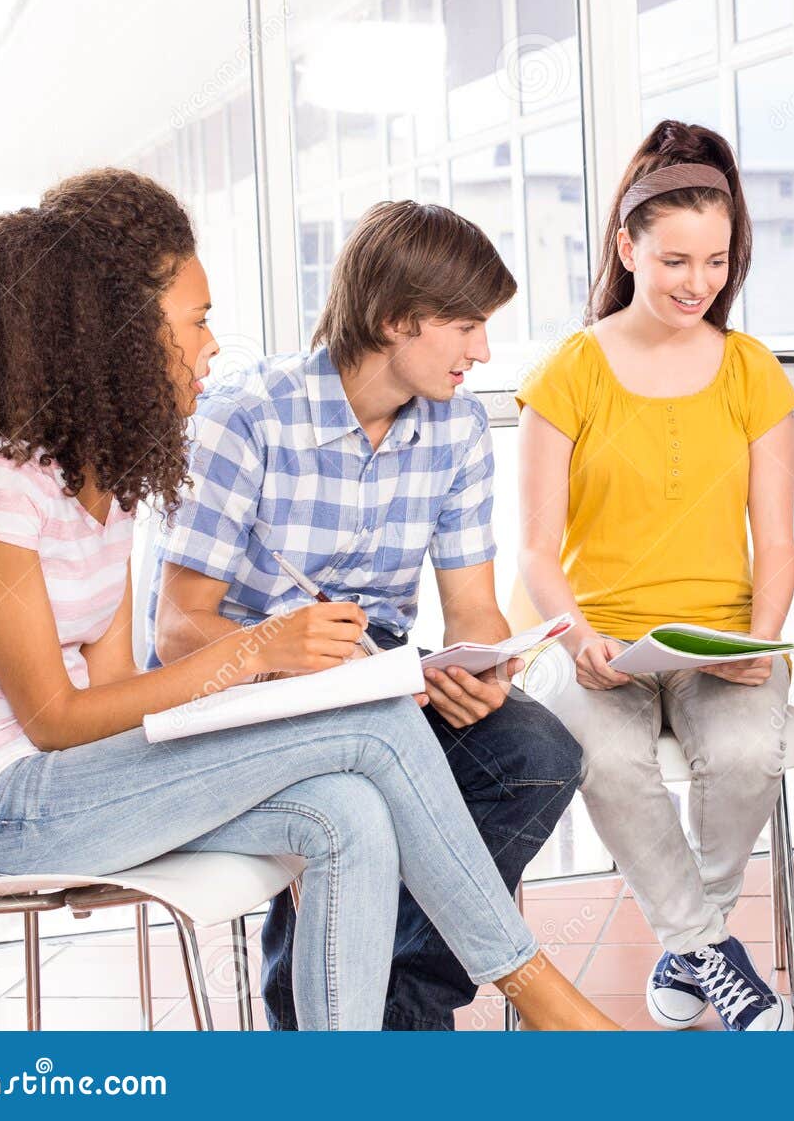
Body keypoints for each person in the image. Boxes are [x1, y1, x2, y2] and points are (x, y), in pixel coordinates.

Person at [0, 170, 613, 1031]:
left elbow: (113, 698)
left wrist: (266, 718)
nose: (211, 343)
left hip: (79, 779)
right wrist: (260, 658)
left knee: (350, 809)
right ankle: (541, 993)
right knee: (373, 725)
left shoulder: (107, 482)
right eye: (195, 321)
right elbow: (54, 717)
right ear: (113, 335)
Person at [149, 199, 586, 1032]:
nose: (483, 350)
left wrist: (484, 668)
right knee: (357, 786)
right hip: (250, 685)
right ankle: (326, 1017)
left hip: (384, 681)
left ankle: (399, 1011)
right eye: (465, 325)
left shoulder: (456, 430)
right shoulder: (246, 418)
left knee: (536, 751)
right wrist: (284, 650)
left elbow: (471, 610)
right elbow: (176, 628)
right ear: (394, 320)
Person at [516, 120, 794, 1031]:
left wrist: (760, 638)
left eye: (716, 260)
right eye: (676, 259)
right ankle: (711, 951)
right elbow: (533, 551)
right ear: (626, 245)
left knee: (754, 753)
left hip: (719, 635)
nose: (698, 283)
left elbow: (778, 541)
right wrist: (576, 637)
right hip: (596, 637)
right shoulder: (569, 371)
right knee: (600, 753)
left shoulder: (752, 371)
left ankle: (690, 951)